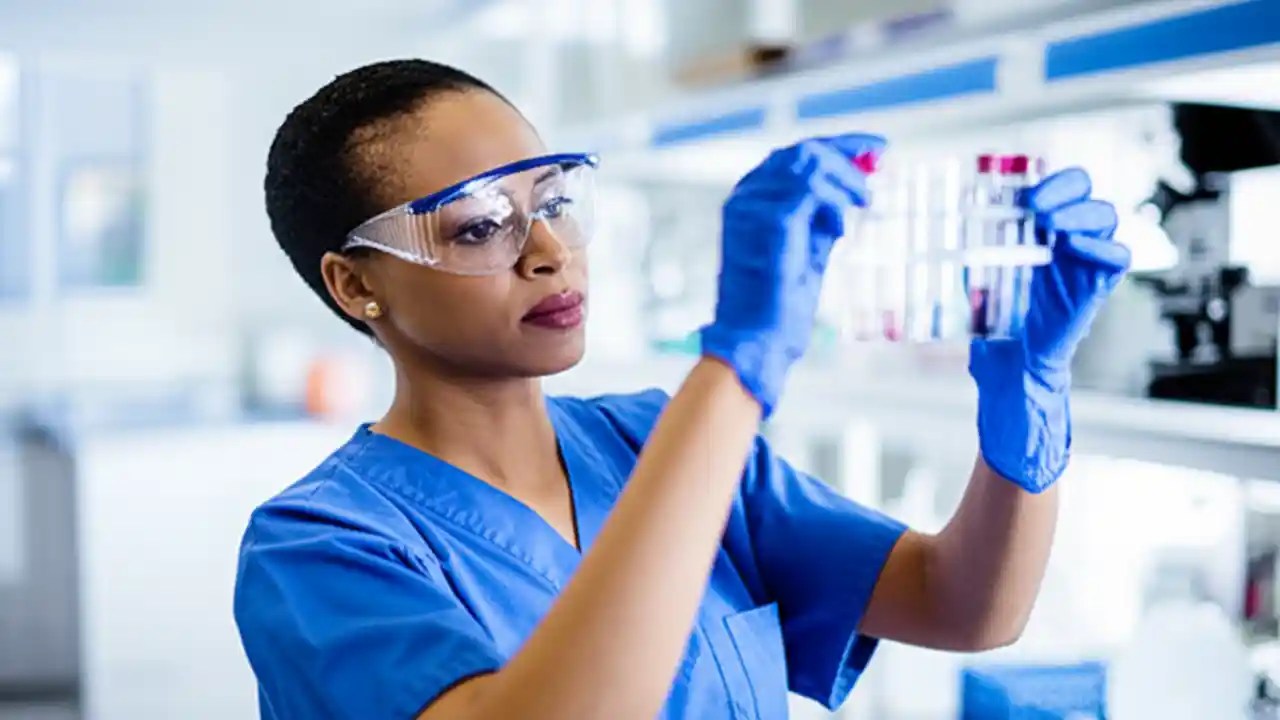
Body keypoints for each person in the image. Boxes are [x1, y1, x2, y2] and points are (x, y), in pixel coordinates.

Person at [233, 59, 1130, 720]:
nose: (548, 252)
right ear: (355, 285)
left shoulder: (654, 444)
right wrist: (735, 371)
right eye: (478, 228)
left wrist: (1031, 396)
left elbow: (964, 605)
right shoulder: (317, 547)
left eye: (552, 202)